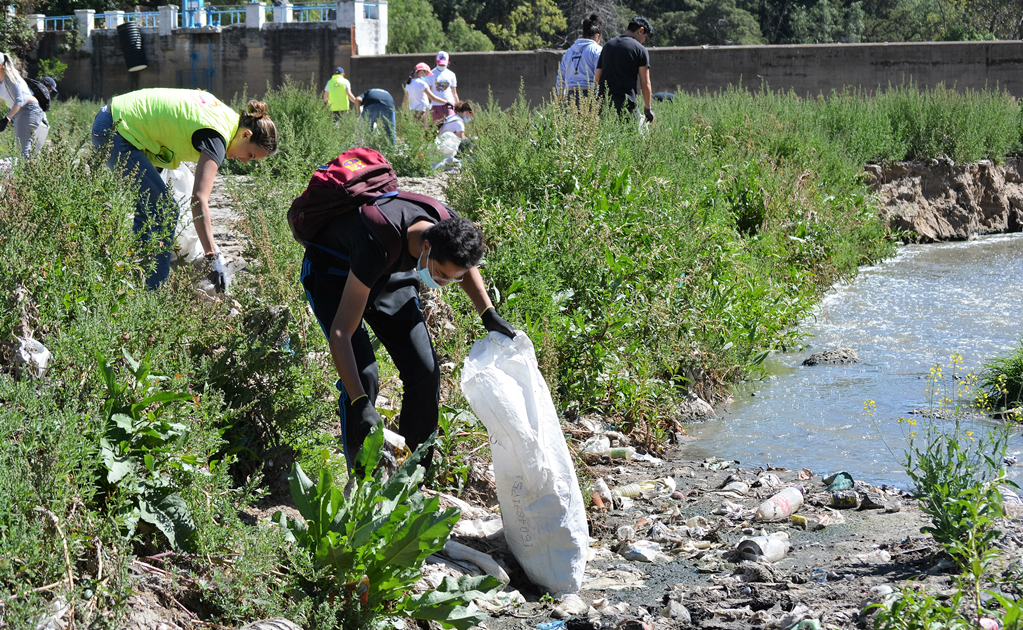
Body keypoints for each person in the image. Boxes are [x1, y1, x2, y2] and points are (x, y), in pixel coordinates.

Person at [298, 159, 515, 474]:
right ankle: (363, 482)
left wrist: (488, 312)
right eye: (440, 274)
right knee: (363, 377)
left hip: (389, 273)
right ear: (426, 247)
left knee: (425, 371)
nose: (442, 283)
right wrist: (361, 404)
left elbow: (463, 269)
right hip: (335, 273)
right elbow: (342, 333)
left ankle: (412, 475)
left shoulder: (444, 222)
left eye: (450, 279)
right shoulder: (379, 236)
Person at [92, 88, 278, 291]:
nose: (244, 161)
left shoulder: (224, 115)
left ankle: (137, 283)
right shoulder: (218, 137)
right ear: (246, 134)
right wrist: (212, 254)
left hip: (114, 120)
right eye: (250, 155)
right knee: (165, 209)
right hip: (116, 131)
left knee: (150, 208)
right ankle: (153, 296)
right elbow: (199, 199)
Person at [594, 16, 655, 125]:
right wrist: (647, 108)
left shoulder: (608, 46)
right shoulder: (640, 50)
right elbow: (645, 84)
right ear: (640, 30)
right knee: (634, 138)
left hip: (604, 104)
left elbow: (597, 78)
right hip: (626, 105)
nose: (644, 41)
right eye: (645, 37)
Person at [0, 52, 49, 159]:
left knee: (24, 152)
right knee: (26, 151)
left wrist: (6, 119)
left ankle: (28, 174)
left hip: (29, 110)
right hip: (22, 112)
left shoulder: (10, 78)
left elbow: (19, 100)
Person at [558, 13, 603, 103]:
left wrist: (560, 97)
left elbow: (560, 78)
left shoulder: (569, 52)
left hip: (570, 95)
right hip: (590, 95)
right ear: (597, 36)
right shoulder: (597, 50)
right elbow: (599, 77)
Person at [427, 51, 459, 124]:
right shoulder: (431, 74)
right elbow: (428, 91)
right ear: (436, 61)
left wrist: (458, 107)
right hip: (436, 104)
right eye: (440, 63)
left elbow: (454, 92)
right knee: (437, 125)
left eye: (443, 64)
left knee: (452, 123)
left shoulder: (451, 74)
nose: (441, 65)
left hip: (449, 102)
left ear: (448, 62)